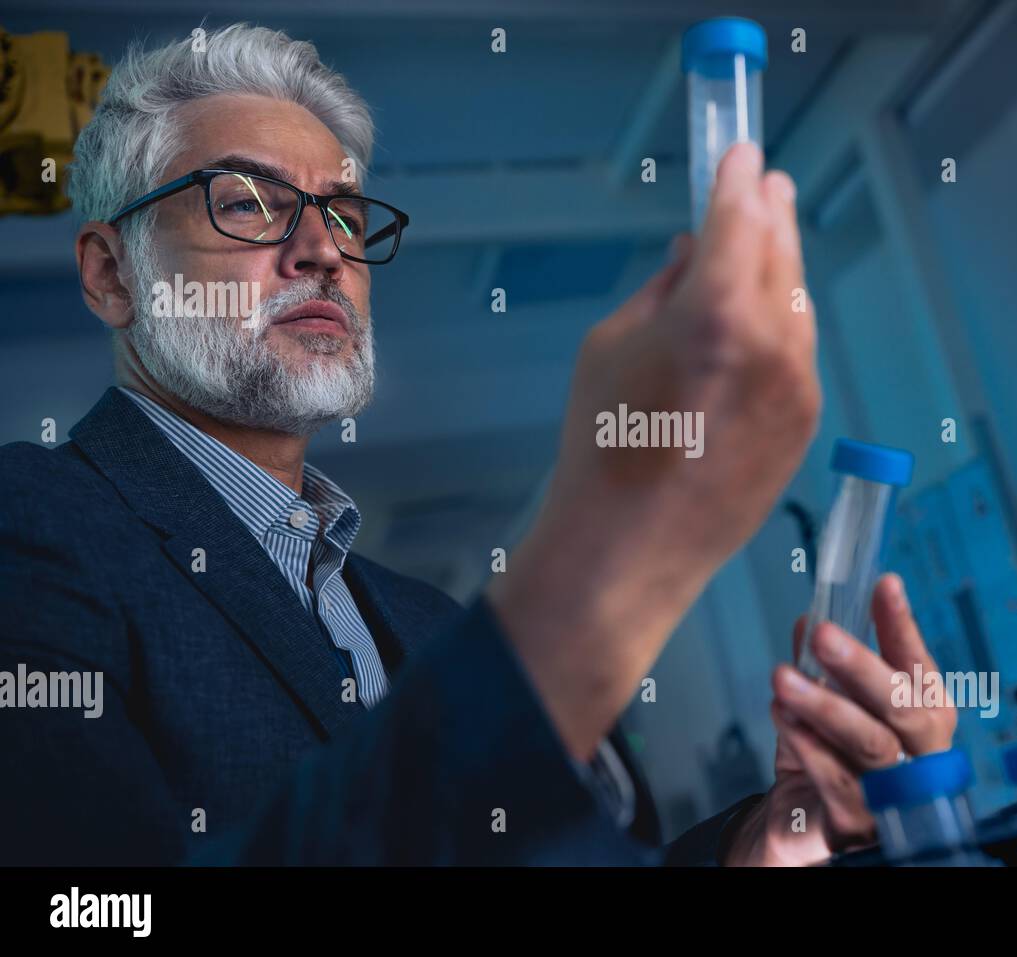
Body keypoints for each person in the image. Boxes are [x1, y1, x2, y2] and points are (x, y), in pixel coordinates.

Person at [0, 24, 954, 866]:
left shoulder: (430, 622)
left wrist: (776, 835)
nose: (323, 247)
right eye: (246, 201)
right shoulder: (32, 527)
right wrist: (604, 574)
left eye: (343, 211)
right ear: (111, 274)